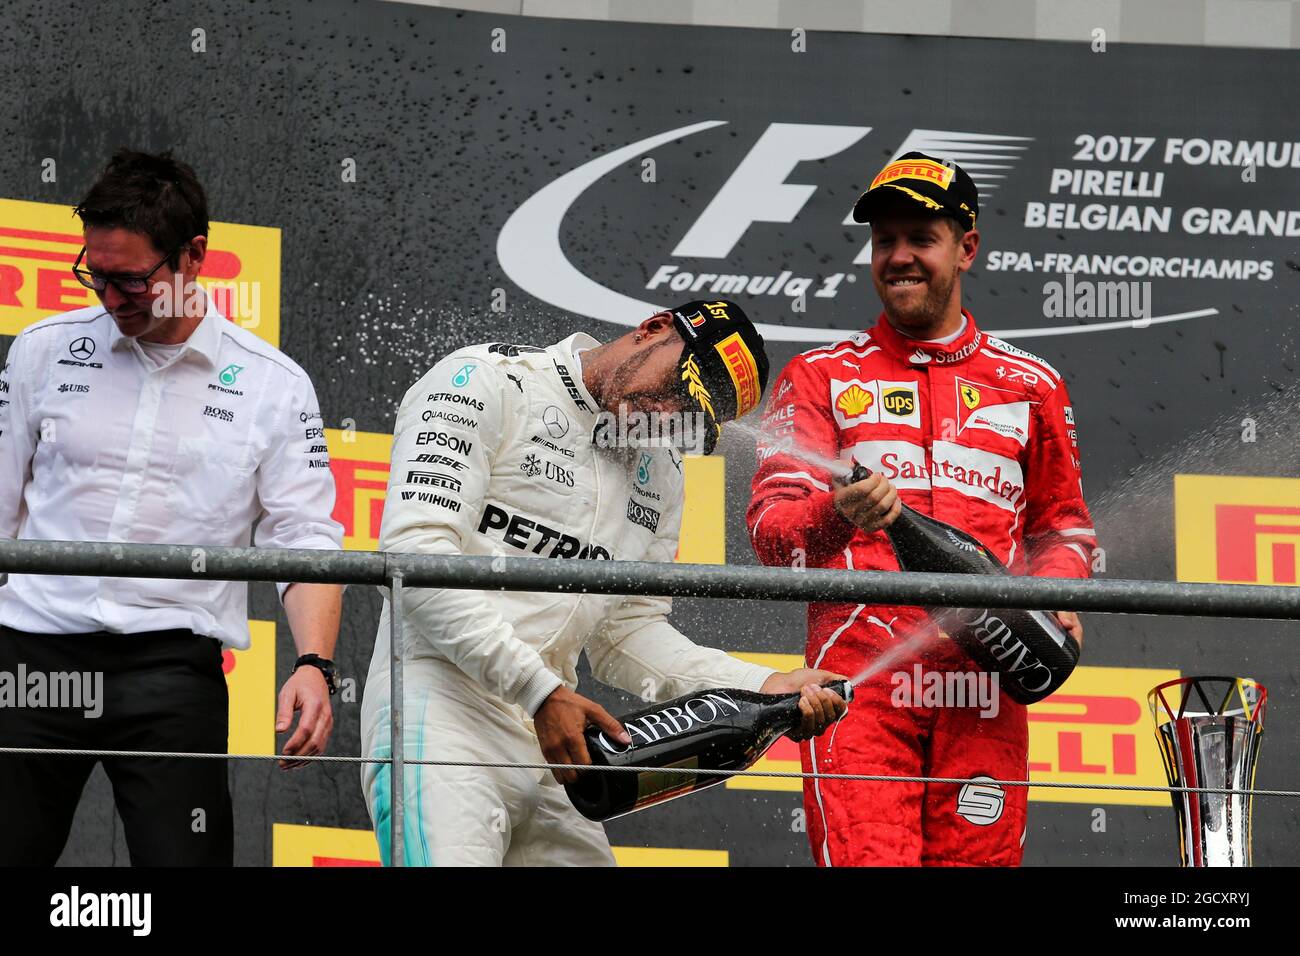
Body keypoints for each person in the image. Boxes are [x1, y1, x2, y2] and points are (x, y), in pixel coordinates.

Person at [360, 299, 847, 866]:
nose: (666, 415)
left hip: (555, 737)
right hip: (441, 710)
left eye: (688, 417)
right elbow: (414, 558)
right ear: (653, 328)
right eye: (676, 389)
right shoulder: (490, 380)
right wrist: (536, 689)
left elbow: (625, 637)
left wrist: (760, 684)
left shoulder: (661, 471)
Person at [747, 152, 1096, 867]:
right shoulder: (820, 375)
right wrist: (837, 513)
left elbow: (1063, 526)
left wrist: (1057, 596)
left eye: (920, 238)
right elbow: (771, 536)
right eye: (884, 241)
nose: (899, 257)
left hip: (986, 688)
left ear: (967, 247)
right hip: (860, 692)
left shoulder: (1032, 384)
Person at [0, 149, 345, 866]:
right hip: (32, 658)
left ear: (194, 257)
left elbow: (304, 538)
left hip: (169, 673)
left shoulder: (274, 387)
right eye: (93, 275)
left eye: (131, 280)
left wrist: (314, 662)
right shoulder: (40, 351)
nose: (110, 297)